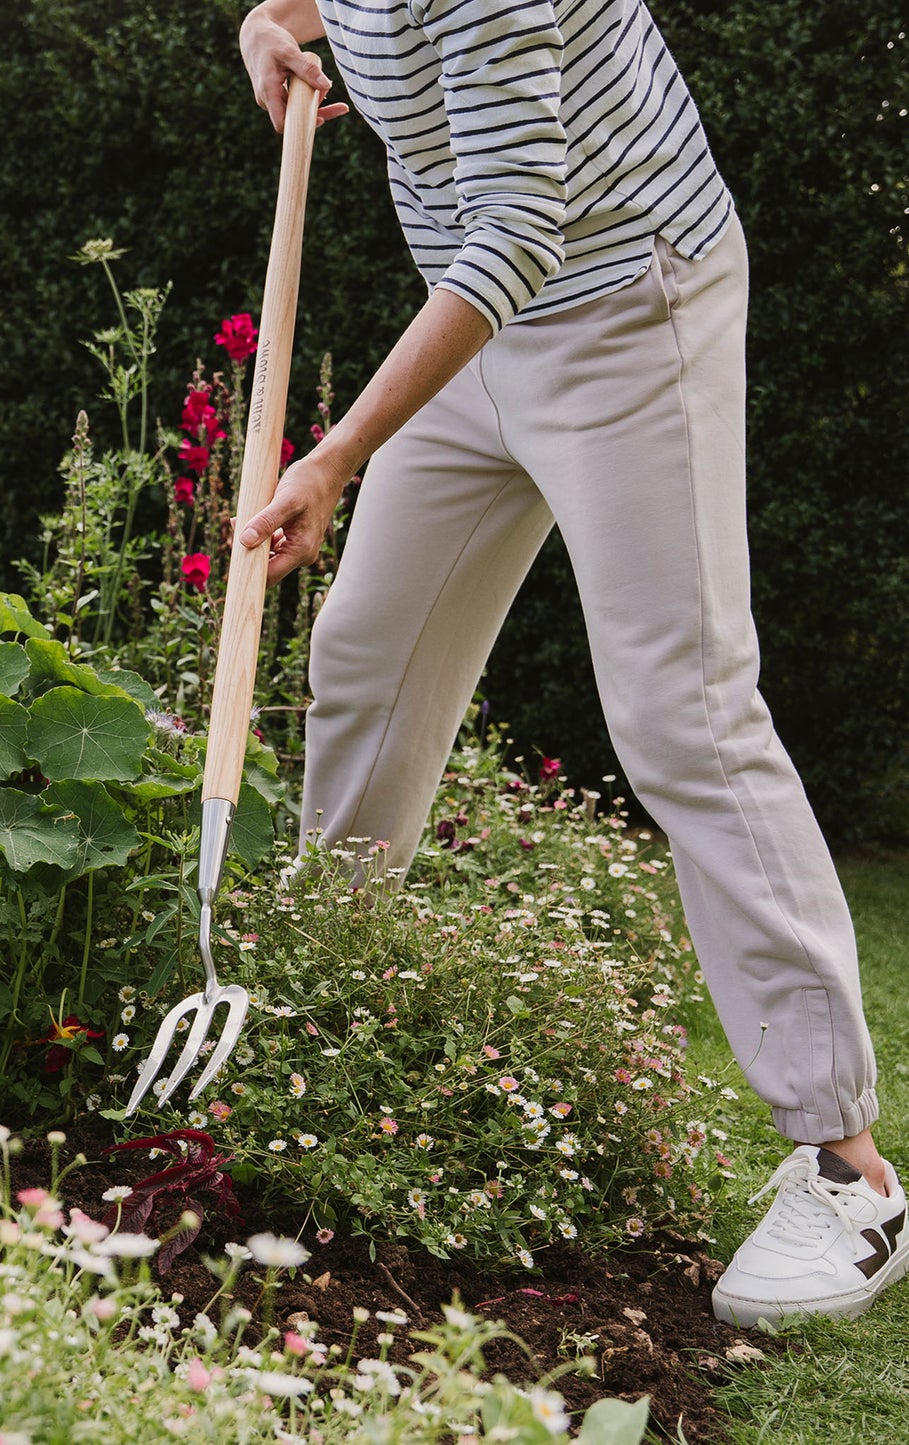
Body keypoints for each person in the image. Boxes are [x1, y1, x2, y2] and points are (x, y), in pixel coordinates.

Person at [235, 0, 906, 1328]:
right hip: (483, 325)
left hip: (615, 301)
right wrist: (274, 20)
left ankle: (851, 1173)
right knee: (366, 650)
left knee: (681, 711)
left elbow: (519, 229)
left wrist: (335, 453)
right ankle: (316, 1013)